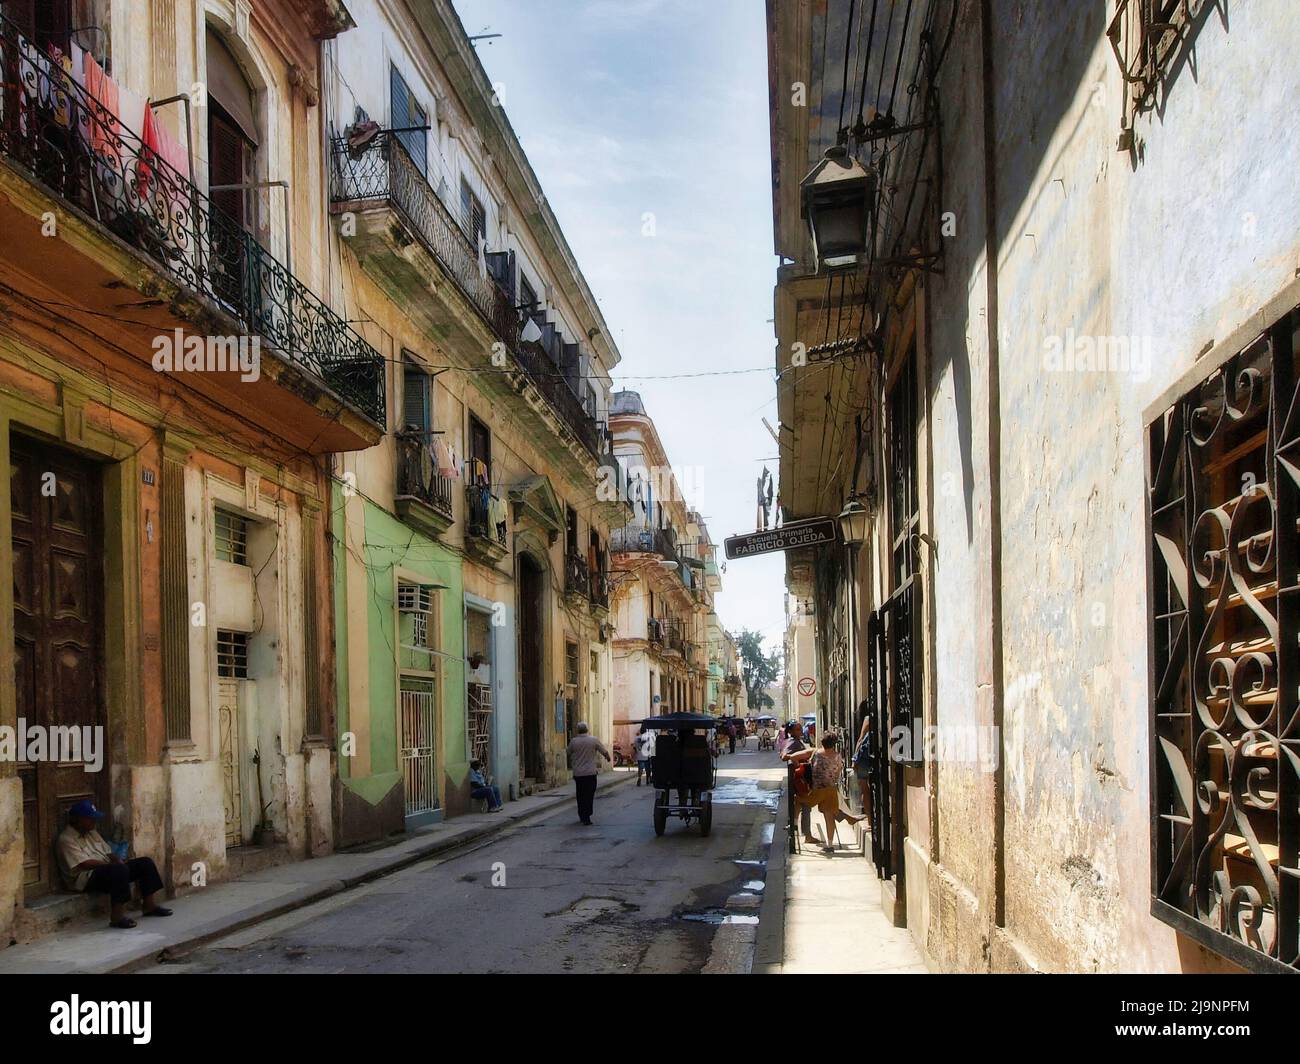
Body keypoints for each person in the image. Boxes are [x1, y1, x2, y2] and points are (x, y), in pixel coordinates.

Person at [56, 800, 173, 929]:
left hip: (106, 869)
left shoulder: (92, 833)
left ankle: (149, 906)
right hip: (84, 878)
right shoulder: (66, 839)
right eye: (89, 818)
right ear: (77, 819)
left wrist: (116, 859)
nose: (94, 821)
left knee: (145, 863)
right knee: (118, 870)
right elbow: (84, 864)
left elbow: (107, 852)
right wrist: (112, 865)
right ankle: (117, 916)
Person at [787, 734, 866, 854]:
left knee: (798, 799)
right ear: (834, 744)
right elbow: (838, 772)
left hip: (817, 789)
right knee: (829, 817)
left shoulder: (816, 753)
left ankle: (794, 823)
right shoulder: (837, 756)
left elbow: (795, 759)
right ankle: (829, 845)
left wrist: (798, 767)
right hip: (831, 789)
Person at [566, 721, 610, 826]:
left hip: (579, 773)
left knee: (580, 795)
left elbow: (568, 752)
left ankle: (582, 815)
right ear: (587, 730)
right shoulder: (593, 740)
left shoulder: (573, 741)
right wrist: (608, 758)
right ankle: (587, 815)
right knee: (589, 795)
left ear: (578, 730)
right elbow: (604, 751)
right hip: (590, 773)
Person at [779, 721, 815, 843]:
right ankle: (807, 835)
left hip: (801, 777)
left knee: (800, 804)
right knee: (806, 805)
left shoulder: (796, 741)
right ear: (791, 732)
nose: (800, 731)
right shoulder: (792, 742)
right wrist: (795, 758)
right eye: (798, 729)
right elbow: (784, 756)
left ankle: (795, 826)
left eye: (800, 729)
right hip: (799, 779)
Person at [851, 705, 873, 823]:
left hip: (864, 759)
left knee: (865, 788)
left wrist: (855, 758)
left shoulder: (868, 719)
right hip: (878, 756)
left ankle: (870, 820)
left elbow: (861, 739)